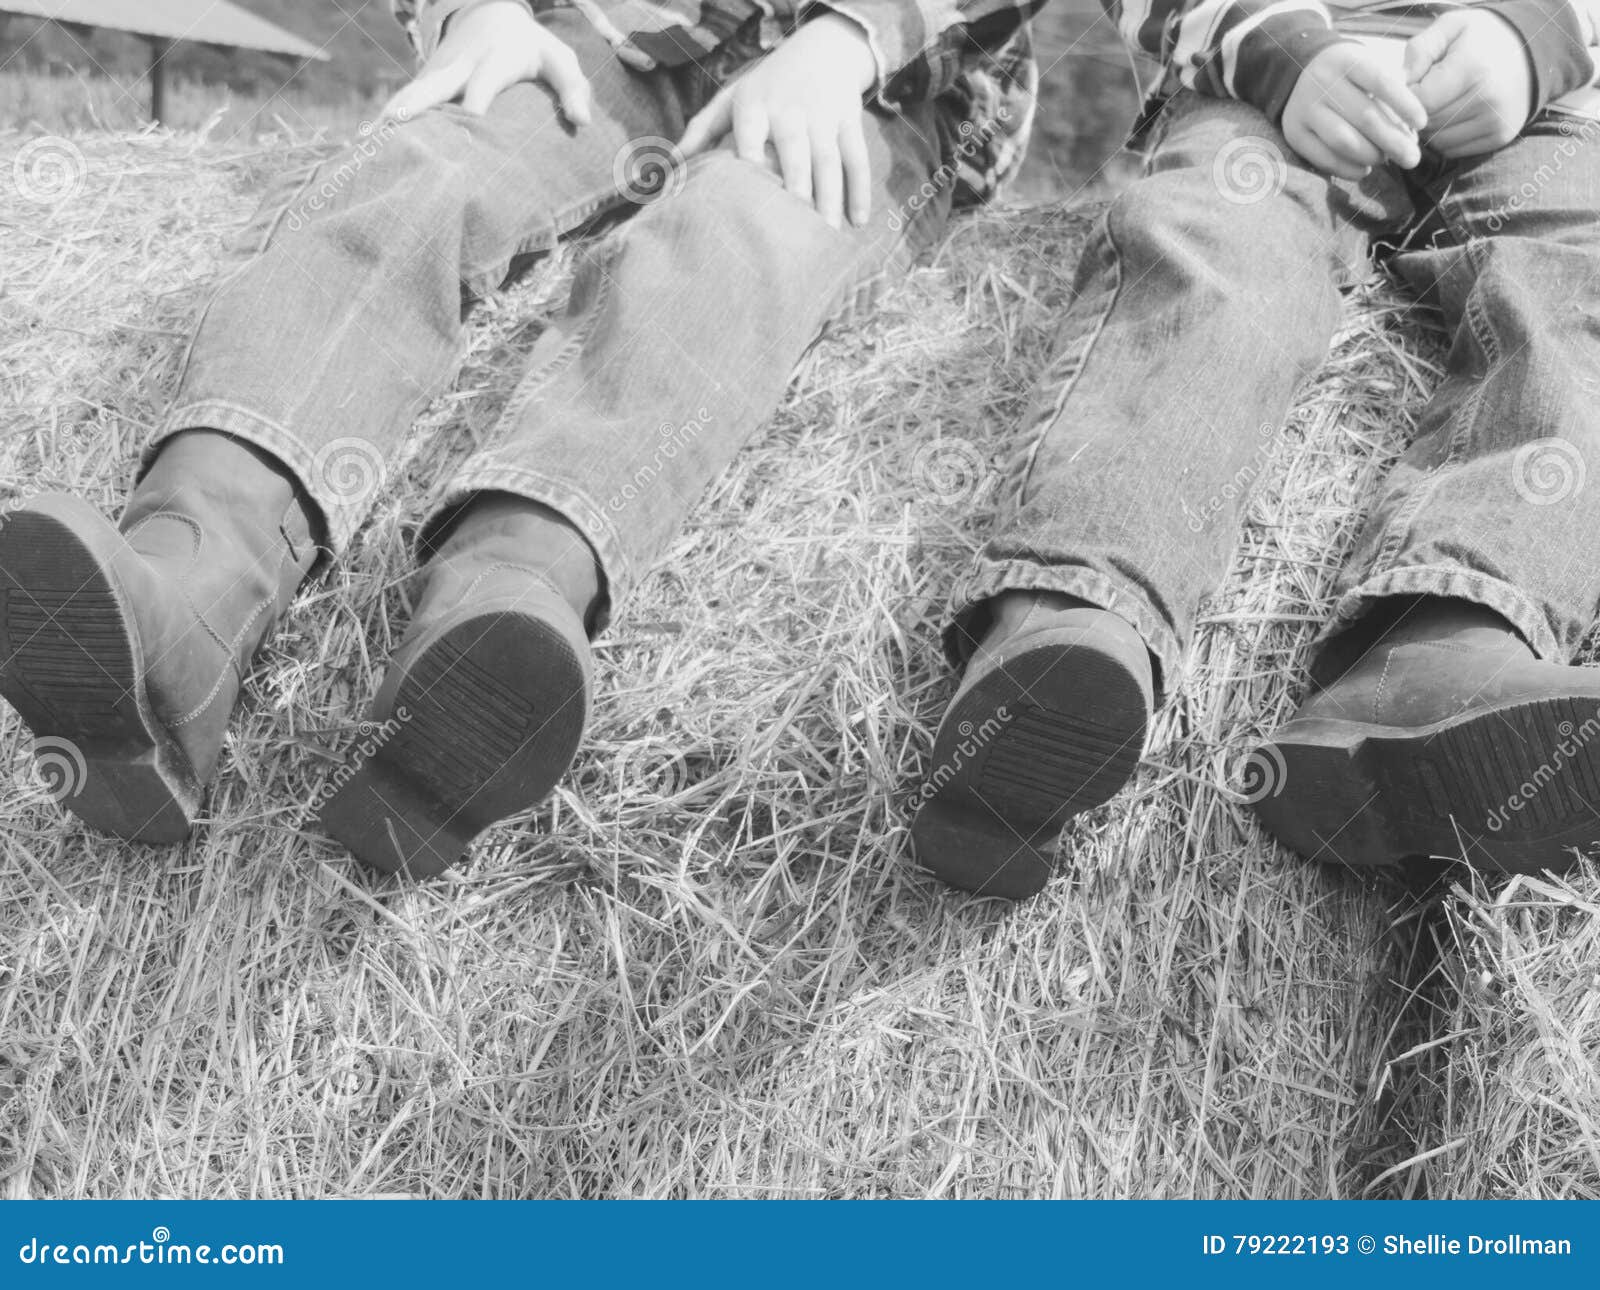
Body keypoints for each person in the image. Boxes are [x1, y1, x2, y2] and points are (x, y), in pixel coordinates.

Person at [0, 0, 1038, 876]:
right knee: (426, 173)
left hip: (876, 80)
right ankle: (187, 598)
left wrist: (846, 39)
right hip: (613, 33)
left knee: (730, 239)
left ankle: (502, 612)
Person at [914, 0, 1600, 898]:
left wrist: (1535, 37)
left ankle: (1453, 644)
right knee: (1222, 253)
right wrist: (1285, 49)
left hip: (1544, 113)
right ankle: (1079, 615)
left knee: (1576, 296)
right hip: (1284, 79)